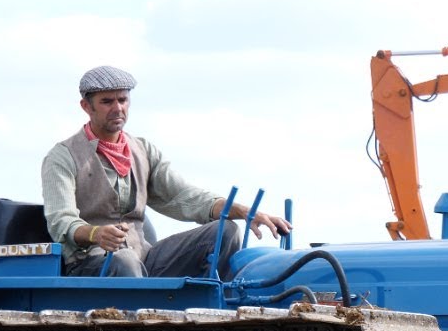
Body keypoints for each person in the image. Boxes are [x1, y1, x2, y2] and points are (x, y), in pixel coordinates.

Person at [41, 66, 290, 278]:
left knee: (225, 230)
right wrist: (95, 233)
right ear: (87, 106)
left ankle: (210, 314)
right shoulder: (63, 156)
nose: (117, 108)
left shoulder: (142, 149)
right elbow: (61, 221)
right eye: (107, 101)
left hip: (143, 256)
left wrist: (243, 211)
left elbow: (181, 196)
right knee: (124, 260)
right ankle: (139, 330)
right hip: (91, 263)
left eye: (123, 100)